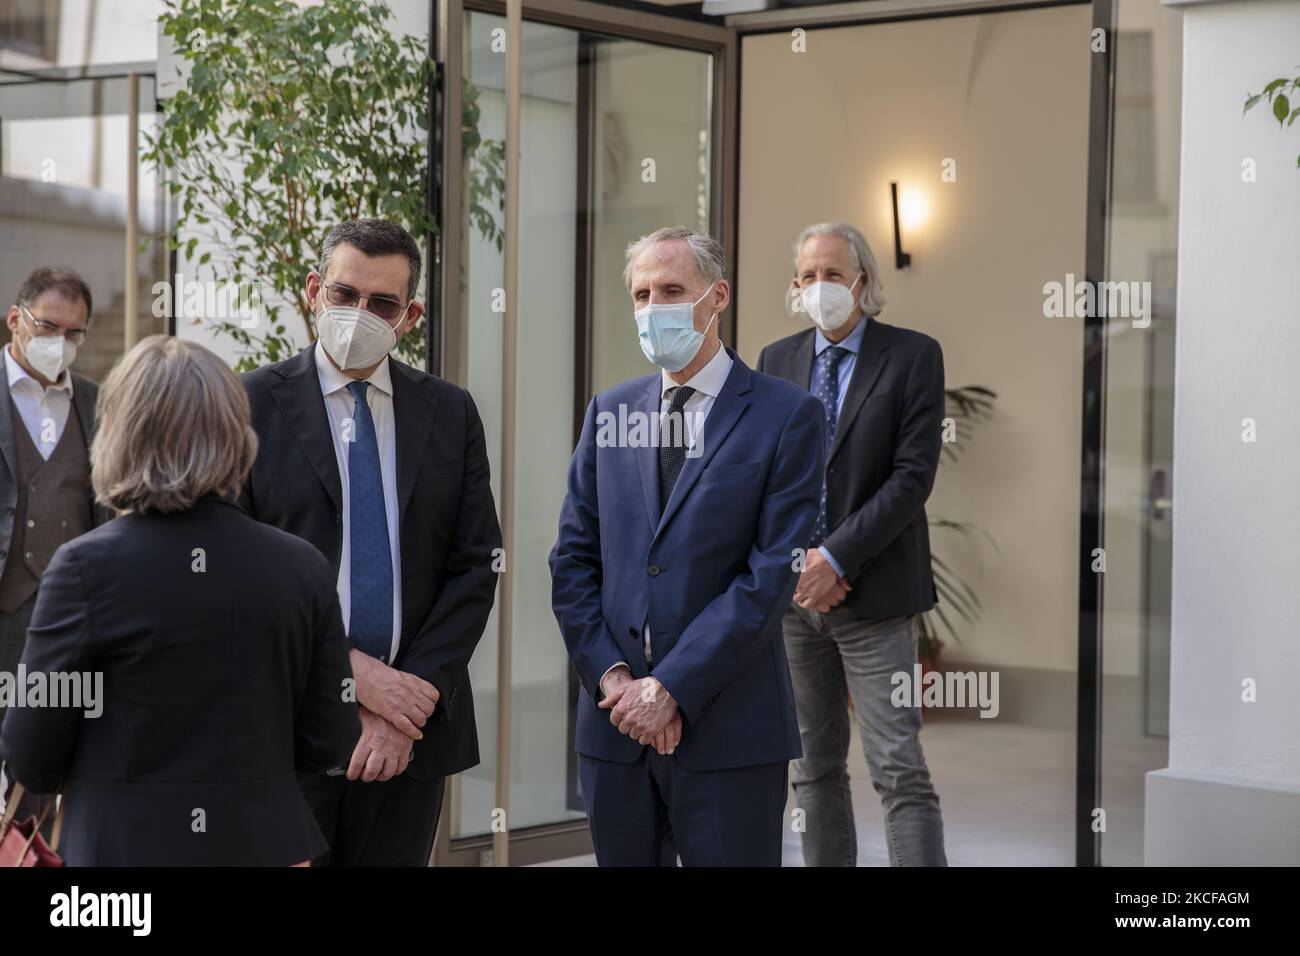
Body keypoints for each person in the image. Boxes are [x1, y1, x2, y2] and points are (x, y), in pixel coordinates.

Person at [0, 336, 359, 865]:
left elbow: (31, 757)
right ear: (237, 434)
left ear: (119, 434)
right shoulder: (300, 566)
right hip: (268, 846)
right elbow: (330, 739)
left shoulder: (83, 570)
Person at [550, 226, 825, 866]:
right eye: (642, 294)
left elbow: (768, 576)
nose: (654, 308)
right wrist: (618, 682)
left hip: (730, 731)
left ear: (717, 296)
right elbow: (572, 560)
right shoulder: (609, 411)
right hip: (615, 729)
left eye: (672, 290)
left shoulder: (787, 415)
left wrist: (669, 687)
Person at [241, 219, 501, 866]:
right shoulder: (247, 406)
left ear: (409, 316)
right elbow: (237, 573)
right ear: (312, 290)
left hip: (409, 736)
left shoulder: (451, 412)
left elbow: (475, 566)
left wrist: (401, 701)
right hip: (288, 730)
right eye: (344, 294)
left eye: (382, 303)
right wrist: (354, 678)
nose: (360, 313)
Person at [757, 220, 948, 867]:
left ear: (863, 281)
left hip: (876, 597)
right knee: (812, 769)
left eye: (833, 274)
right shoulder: (775, 361)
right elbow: (765, 479)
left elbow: (911, 477)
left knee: (898, 768)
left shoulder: (913, 355)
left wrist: (834, 558)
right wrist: (797, 566)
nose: (820, 287)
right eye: (807, 276)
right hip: (793, 606)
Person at [0, 268, 113, 831]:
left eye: (74, 334)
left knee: (47, 765)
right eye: (49, 327)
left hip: (72, 621)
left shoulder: (95, 402)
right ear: (16, 320)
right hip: (4, 612)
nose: (59, 343)